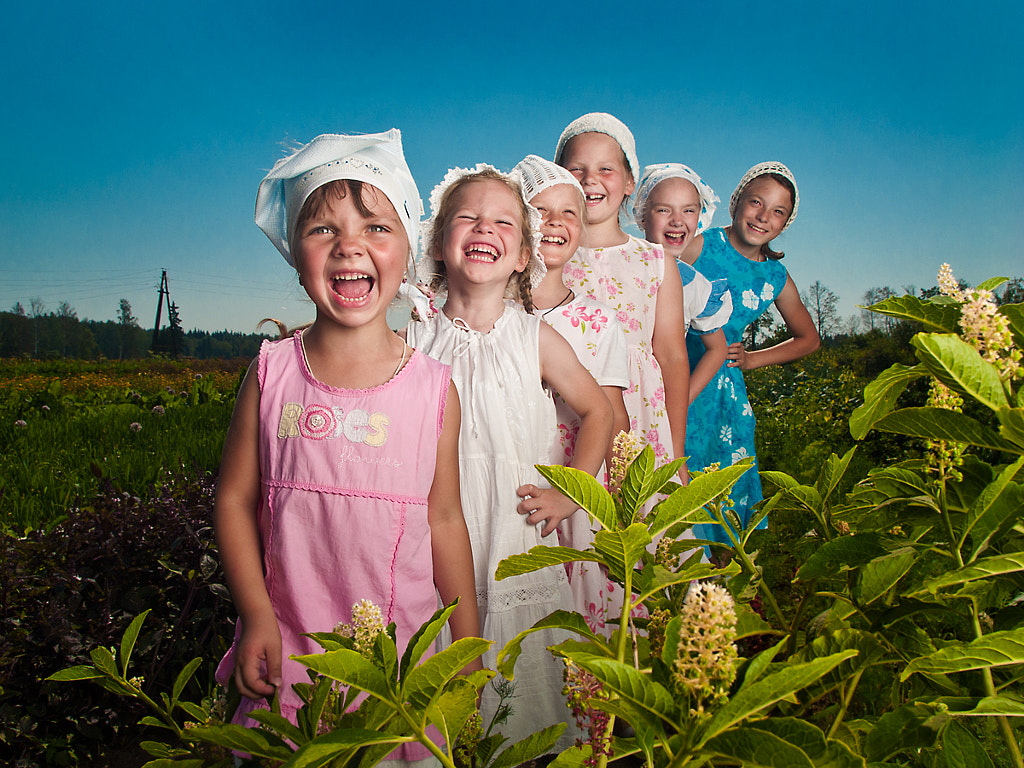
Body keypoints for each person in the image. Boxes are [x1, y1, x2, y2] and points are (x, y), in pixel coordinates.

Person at [214, 131, 479, 766]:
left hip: (397, 668)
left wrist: (468, 647)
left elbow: (443, 520)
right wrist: (255, 616)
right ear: (295, 253)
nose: (349, 246)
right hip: (291, 654)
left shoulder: (434, 389)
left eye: (375, 227)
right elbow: (233, 499)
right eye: (323, 230)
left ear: (408, 247)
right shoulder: (273, 372)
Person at [406, 164, 612, 748]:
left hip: (515, 528)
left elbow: (599, 411)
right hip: (439, 527)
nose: (484, 227)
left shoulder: (535, 336)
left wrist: (571, 490)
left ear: (523, 254)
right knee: (447, 692)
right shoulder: (415, 339)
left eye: (502, 221)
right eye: (467, 217)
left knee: (524, 700)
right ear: (441, 242)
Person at [510, 154, 629, 637]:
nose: (555, 224)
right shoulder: (484, 311)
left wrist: (572, 491)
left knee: (570, 629)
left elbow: (614, 419)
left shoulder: (597, 320)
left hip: (569, 490)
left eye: (569, 214)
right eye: (540, 211)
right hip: (503, 484)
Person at [678, 161, 820, 546]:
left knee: (723, 481)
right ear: (737, 203)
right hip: (677, 374)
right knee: (676, 476)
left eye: (778, 211)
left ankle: (724, 575)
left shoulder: (775, 276)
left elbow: (808, 338)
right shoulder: (702, 244)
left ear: (786, 222)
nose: (763, 217)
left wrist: (754, 358)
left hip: (725, 395)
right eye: (756, 202)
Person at [554, 113, 690, 481]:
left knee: (641, 524)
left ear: (630, 181)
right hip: (561, 418)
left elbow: (673, 356)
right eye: (577, 169)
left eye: (606, 169)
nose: (590, 180)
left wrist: (677, 449)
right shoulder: (543, 258)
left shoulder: (656, 261)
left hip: (639, 415)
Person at [633, 163, 731, 402]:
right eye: (664, 210)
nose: (677, 221)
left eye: (688, 210)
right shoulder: (620, 265)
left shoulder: (694, 284)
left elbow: (718, 349)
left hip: (655, 406)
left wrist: (681, 399)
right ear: (643, 216)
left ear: (699, 216)